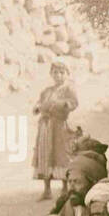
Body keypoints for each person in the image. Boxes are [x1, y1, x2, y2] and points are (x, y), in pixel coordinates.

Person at [31, 61, 77, 200]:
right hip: (45, 127)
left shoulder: (68, 90)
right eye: (55, 72)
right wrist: (37, 107)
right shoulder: (47, 91)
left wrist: (64, 104)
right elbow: (39, 103)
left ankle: (64, 188)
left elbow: (73, 103)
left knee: (61, 154)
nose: (58, 75)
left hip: (60, 126)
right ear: (51, 74)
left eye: (62, 72)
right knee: (45, 155)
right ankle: (47, 190)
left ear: (67, 74)